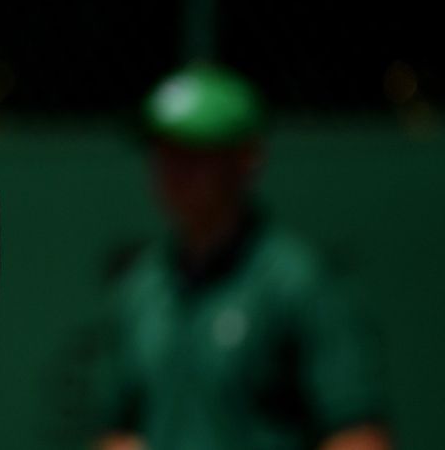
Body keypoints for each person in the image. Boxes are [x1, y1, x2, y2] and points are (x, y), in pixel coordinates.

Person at [87, 61, 392, 450]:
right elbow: (120, 430)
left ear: (246, 158)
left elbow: (357, 434)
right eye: (163, 150)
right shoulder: (140, 287)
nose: (172, 168)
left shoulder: (302, 282)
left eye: (193, 151)